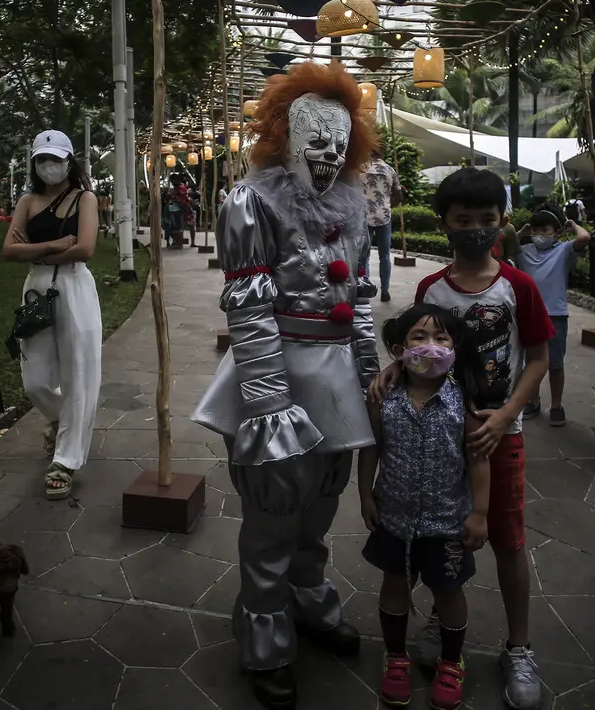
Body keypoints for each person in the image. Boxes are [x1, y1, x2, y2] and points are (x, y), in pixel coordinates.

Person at [189, 62, 380, 710]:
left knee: (320, 510)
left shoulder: (354, 203)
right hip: (275, 376)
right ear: (281, 134)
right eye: (313, 135)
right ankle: (264, 638)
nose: (327, 150)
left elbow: (356, 299)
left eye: (338, 137)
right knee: (272, 517)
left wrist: (368, 375)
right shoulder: (248, 202)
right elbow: (246, 306)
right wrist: (267, 407)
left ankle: (309, 603)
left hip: (335, 382)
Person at [371, 167, 554, 710]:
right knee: (439, 534)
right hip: (447, 436)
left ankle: (518, 647)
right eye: (464, 219)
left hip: (503, 435)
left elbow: (539, 359)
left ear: (502, 221)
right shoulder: (433, 289)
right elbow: (419, 349)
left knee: (508, 539)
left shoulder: (518, 286)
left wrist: (505, 417)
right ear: (444, 223)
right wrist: (391, 369)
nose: (476, 228)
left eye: (487, 219)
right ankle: (437, 621)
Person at [358, 304, 489, 710]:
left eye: (441, 338)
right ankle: (395, 657)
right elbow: (371, 448)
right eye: (419, 337)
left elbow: (478, 459)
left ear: (454, 347)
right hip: (394, 518)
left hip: (447, 522)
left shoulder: (461, 400)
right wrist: (365, 494)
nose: (430, 347)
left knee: (448, 591)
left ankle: (451, 661)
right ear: (400, 349)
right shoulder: (384, 396)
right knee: (395, 585)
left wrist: (479, 512)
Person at [2, 129, 102, 501]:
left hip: (74, 288)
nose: (50, 166)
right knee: (35, 380)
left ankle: (65, 460)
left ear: (69, 161)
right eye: (43, 159)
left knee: (79, 373)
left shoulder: (84, 198)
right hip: (36, 290)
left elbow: (86, 249)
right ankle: (65, 423)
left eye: (57, 159)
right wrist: (55, 245)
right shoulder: (27, 201)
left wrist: (36, 251)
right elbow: (9, 250)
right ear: (34, 162)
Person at [515, 207, 592, 426]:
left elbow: (585, 237)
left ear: (556, 232)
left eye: (545, 229)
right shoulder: (524, 250)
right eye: (536, 229)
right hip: (529, 314)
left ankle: (557, 405)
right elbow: (501, 244)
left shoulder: (564, 250)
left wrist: (572, 225)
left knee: (555, 364)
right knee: (531, 362)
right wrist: (523, 231)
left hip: (556, 314)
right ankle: (534, 399)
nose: (539, 234)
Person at [361, 147, 402, 302]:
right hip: (384, 216)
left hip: (364, 216)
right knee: (384, 255)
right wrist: (387, 204)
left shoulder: (362, 169)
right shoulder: (389, 170)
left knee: (364, 255)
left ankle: (365, 288)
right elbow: (399, 195)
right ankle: (385, 291)